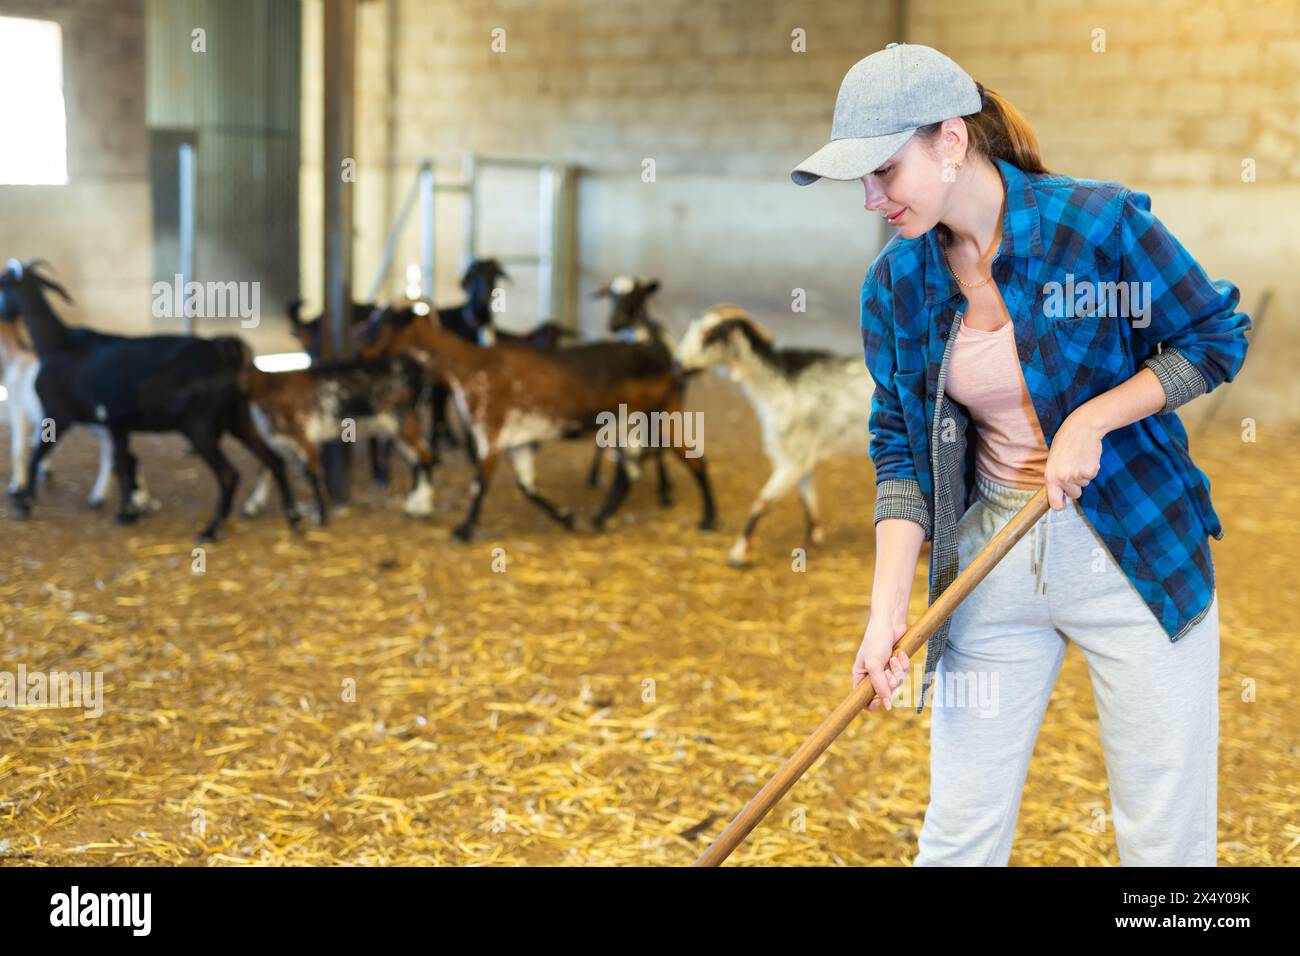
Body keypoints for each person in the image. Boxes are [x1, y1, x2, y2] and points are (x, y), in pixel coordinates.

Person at [790, 43, 1251, 866]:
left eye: (884, 172)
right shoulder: (897, 284)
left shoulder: (1097, 227)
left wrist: (1094, 420)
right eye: (858, 180)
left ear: (951, 141)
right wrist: (886, 614)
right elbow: (898, 445)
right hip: (991, 557)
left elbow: (1214, 338)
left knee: (1164, 837)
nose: (870, 199)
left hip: (1136, 549)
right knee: (958, 836)